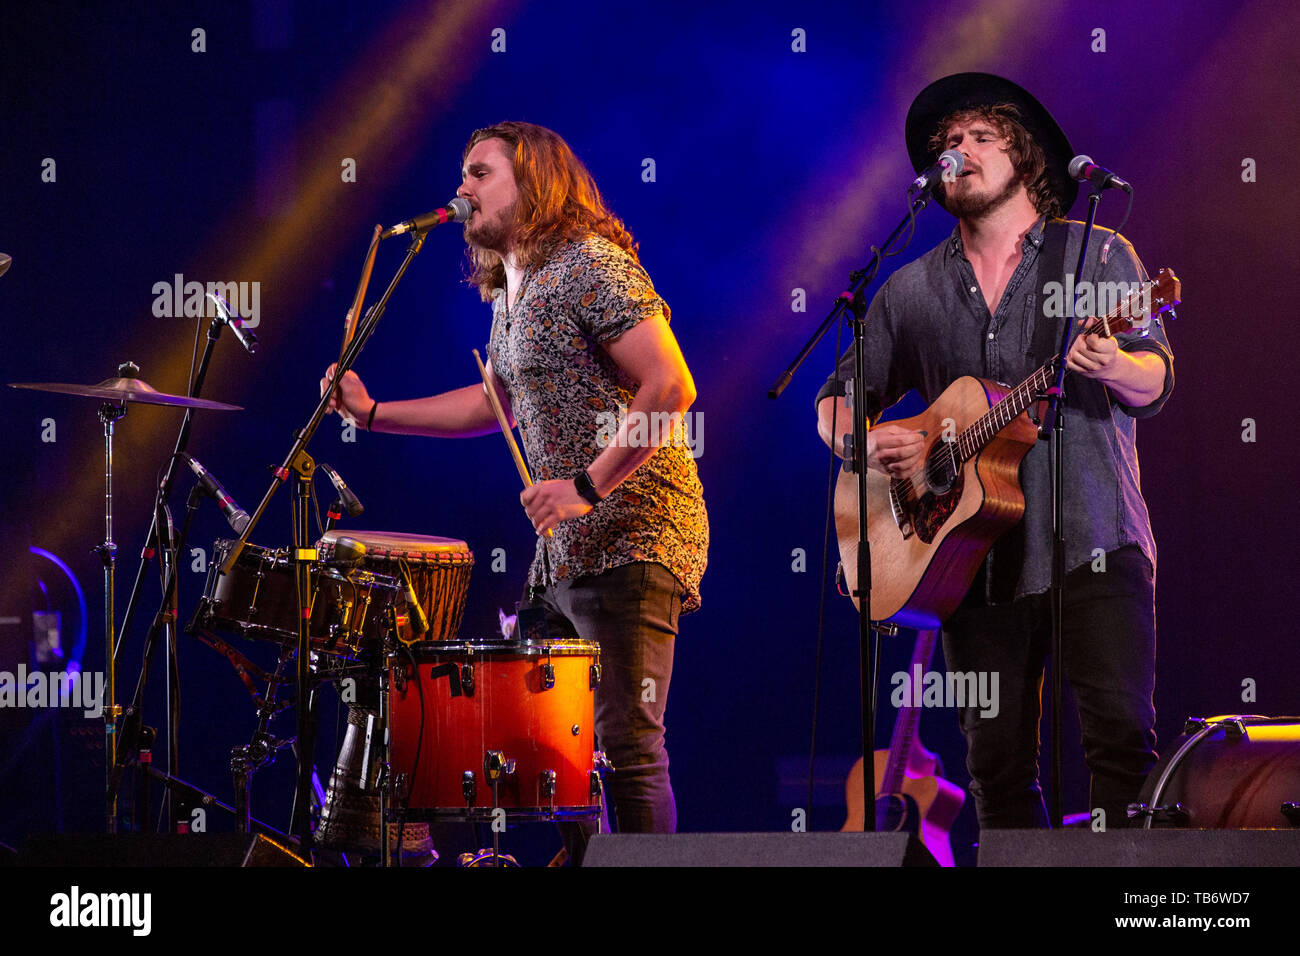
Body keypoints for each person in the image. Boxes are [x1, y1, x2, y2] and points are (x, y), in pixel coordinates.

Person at [323, 121, 707, 859]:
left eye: (479, 173)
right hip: (563, 552)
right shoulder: (508, 292)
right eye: (461, 176)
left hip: (634, 530)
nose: (460, 189)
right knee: (553, 751)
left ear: (534, 180)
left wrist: (586, 489)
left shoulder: (589, 263)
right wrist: (371, 414)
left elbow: (672, 384)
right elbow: (489, 403)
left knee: (625, 743)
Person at [815, 74, 1173, 830]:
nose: (960, 151)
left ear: (1026, 158)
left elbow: (1155, 376)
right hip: (969, 561)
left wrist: (1113, 365)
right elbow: (837, 398)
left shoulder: (1095, 257)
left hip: (1096, 540)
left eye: (981, 138)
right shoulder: (908, 291)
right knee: (997, 771)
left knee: (1119, 750)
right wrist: (871, 439)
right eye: (949, 143)